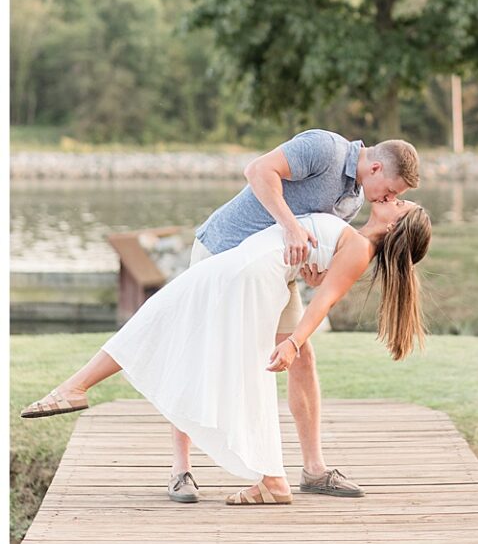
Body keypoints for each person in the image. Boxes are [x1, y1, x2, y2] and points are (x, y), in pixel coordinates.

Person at [21, 198, 432, 506]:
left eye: (399, 201)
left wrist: (291, 342)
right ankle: (76, 388)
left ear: (397, 222)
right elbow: (317, 268)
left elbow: (323, 303)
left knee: (229, 365)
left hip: (248, 277)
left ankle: (272, 480)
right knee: (157, 319)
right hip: (241, 269)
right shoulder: (355, 242)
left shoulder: (360, 250)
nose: (391, 197)